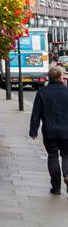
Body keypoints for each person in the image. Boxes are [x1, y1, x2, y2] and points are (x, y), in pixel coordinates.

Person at [29, 64, 68, 194]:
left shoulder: (42, 92)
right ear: (61, 77)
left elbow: (36, 113)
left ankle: (56, 188)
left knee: (53, 156)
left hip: (50, 131)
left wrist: (33, 131)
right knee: (66, 156)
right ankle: (67, 175)